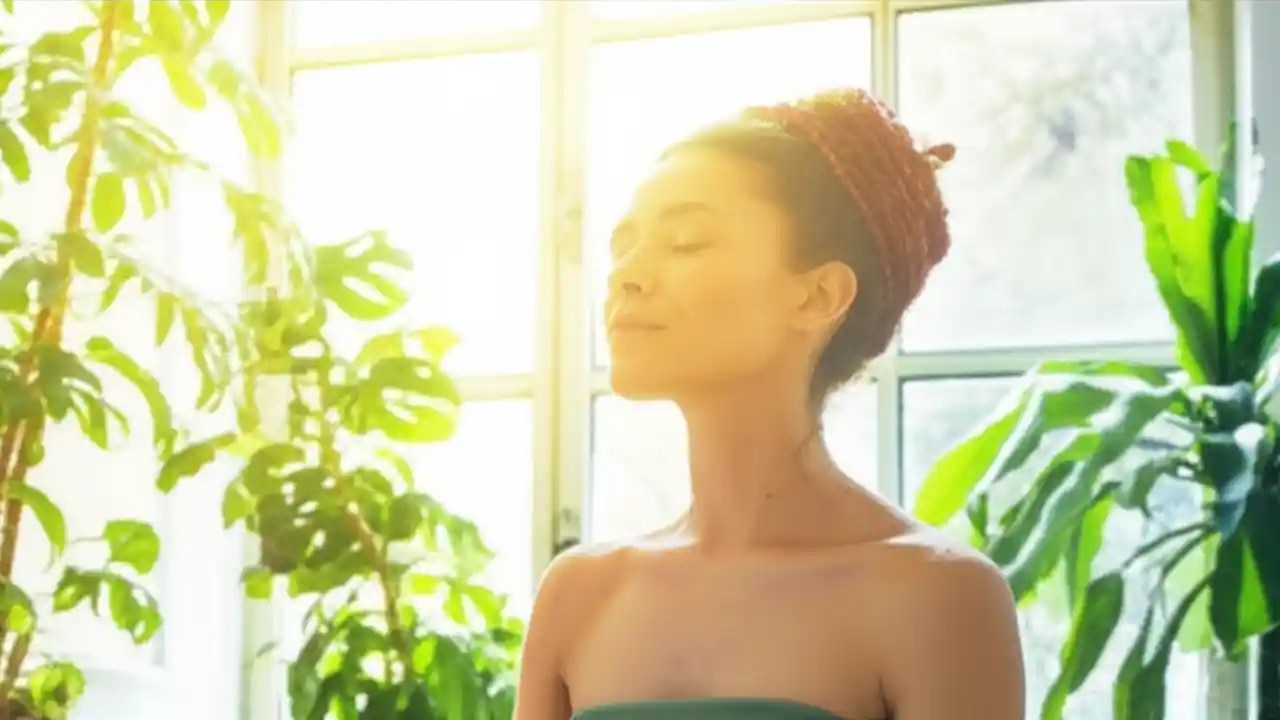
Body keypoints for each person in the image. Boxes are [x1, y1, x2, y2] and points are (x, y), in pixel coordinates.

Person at [515, 88, 1025, 720]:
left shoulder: (936, 596)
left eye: (687, 241)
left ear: (817, 296)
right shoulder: (580, 593)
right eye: (624, 245)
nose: (627, 275)